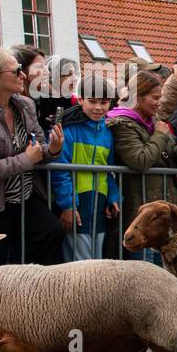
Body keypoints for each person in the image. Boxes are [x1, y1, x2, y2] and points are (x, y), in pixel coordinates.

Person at [0, 47, 65, 266]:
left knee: (51, 232)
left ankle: (32, 295)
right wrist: (27, 159)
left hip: (25, 196)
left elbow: (39, 150)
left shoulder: (24, 105)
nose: (23, 75)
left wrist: (53, 149)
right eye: (16, 71)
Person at [107, 70, 177, 258]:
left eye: (160, 97)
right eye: (155, 98)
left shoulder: (151, 121)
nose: (159, 103)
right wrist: (160, 135)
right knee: (146, 271)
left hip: (161, 210)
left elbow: (168, 155)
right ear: (138, 97)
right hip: (141, 211)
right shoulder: (123, 124)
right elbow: (140, 160)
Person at [51, 73, 120, 261]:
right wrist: (67, 205)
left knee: (96, 260)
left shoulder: (108, 132)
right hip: (77, 202)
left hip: (99, 203)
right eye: (93, 101)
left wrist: (113, 196)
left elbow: (109, 170)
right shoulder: (69, 128)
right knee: (78, 262)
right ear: (81, 100)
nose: (98, 107)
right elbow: (60, 169)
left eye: (104, 103)